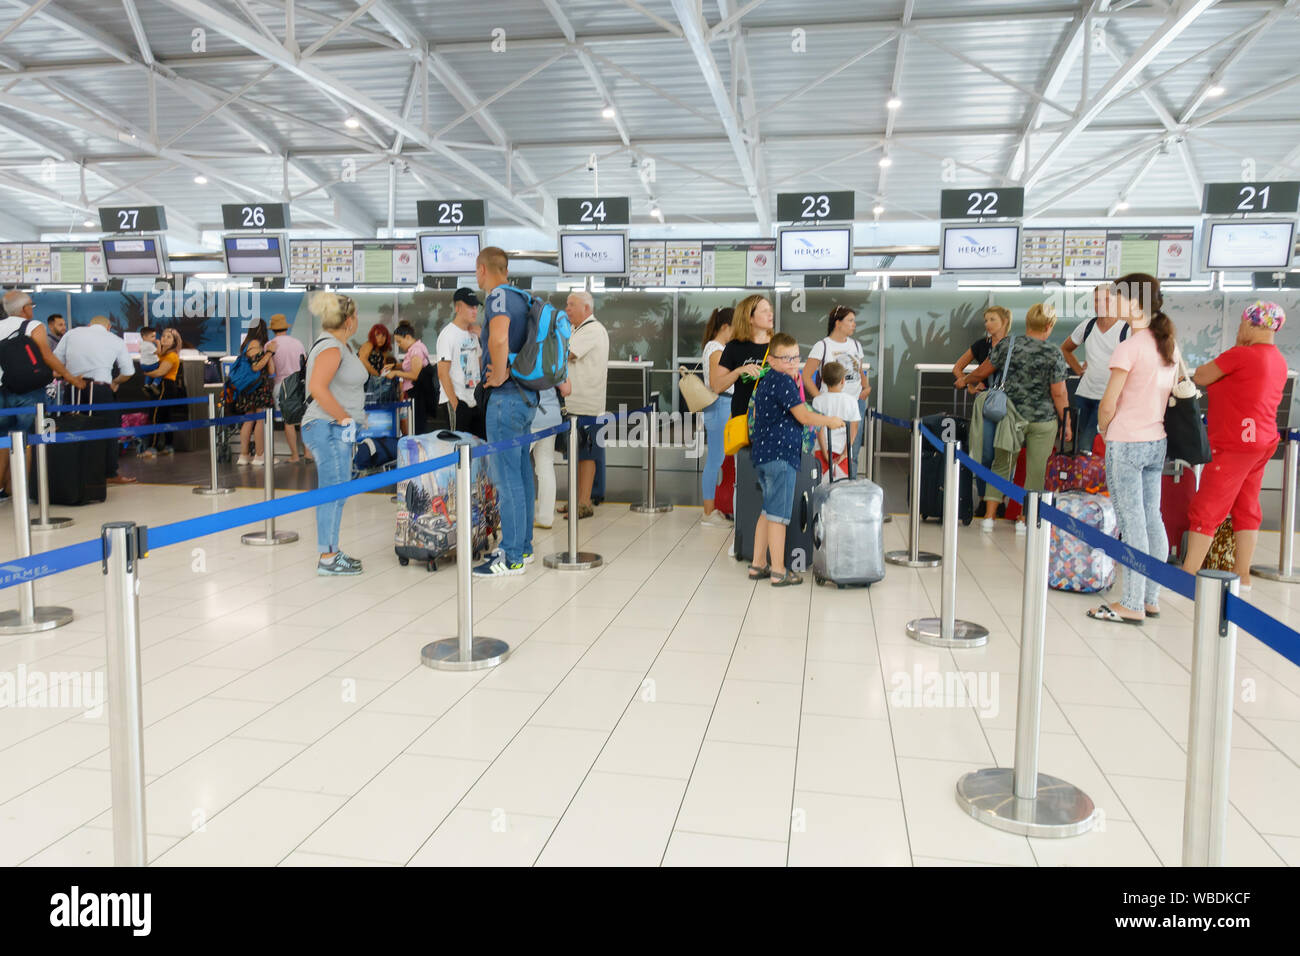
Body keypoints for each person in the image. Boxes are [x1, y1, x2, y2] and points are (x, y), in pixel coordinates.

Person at [1181, 301, 1291, 590]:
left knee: (1208, 508)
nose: (1240, 328)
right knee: (1246, 507)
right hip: (1262, 442)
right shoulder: (1279, 360)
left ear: (1252, 324)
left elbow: (1202, 375)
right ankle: (1243, 576)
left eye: (1243, 322)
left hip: (1235, 443)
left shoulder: (1242, 354)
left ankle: (1187, 575)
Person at [1087, 274, 1178, 624]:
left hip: (1126, 442)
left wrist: (1104, 430)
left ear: (1136, 303)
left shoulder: (1129, 347)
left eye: (1117, 297)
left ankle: (1131, 602)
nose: (1111, 303)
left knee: (1132, 523)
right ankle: (1150, 598)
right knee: (1152, 517)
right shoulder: (1166, 343)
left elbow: (1108, 404)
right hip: (1157, 441)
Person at [965, 303, 1072, 534]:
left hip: (1011, 415)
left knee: (1002, 463)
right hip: (1043, 420)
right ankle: (1025, 519)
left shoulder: (1008, 345)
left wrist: (965, 381)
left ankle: (989, 517)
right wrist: (1067, 422)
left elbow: (984, 371)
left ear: (1028, 322)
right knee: (1036, 469)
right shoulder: (1053, 352)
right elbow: (1059, 393)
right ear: (1049, 325)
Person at [748, 333, 844, 587]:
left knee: (768, 511)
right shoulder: (783, 382)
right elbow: (803, 416)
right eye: (785, 358)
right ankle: (779, 571)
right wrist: (829, 421)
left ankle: (758, 564)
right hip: (780, 457)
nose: (792, 363)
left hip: (764, 455)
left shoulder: (767, 380)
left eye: (795, 357)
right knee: (778, 515)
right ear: (772, 360)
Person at [474, 246, 538, 576]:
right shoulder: (522, 297)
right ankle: (523, 547)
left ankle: (510, 556)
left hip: (506, 397)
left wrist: (498, 374)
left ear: (482, 269)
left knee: (506, 477)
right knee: (522, 473)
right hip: (527, 398)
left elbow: (499, 338)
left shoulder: (497, 296)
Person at [301, 292, 367, 576]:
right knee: (333, 490)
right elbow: (318, 387)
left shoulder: (342, 346)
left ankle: (332, 551)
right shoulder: (331, 347)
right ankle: (328, 557)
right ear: (350, 320)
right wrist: (344, 418)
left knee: (337, 490)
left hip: (335, 428)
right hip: (327, 427)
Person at [0, 292, 84, 497]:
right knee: (29, 439)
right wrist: (70, 377)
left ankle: (2, 488)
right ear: (24, 309)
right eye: (31, 305)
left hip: (2, 390)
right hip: (29, 391)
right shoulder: (32, 326)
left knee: (2, 440)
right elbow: (46, 355)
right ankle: (22, 490)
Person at [54, 315, 136, 484]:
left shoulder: (72, 333)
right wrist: (115, 382)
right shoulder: (115, 339)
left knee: (72, 428)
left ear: (89, 324)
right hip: (100, 389)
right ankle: (110, 473)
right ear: (109, 327)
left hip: (73, 387)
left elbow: (55, 361)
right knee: (109, 430)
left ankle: (73, 472)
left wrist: (69, 375)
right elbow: (129, 371)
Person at [952, 306, 1011, 508]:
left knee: (1003, 453)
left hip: (1009, 403)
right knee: (984, 452)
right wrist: (968, 383)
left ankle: (1000, 500)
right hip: (985, 402)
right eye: (986, 320)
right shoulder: (981, 345)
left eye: (992, 319)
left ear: (1004, 322)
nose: (987, 324)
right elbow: (957, 367)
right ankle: (985, 499)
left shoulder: (1013, 346)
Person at [802, 304, 871, 476]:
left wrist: (865, 386)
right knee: (826, 449)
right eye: (850, 320)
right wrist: (821, 398)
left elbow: (859, 369)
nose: (854, 324)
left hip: (854, 403)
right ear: (837, 323)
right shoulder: (822, 345)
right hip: (830, 406)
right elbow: (806, 376)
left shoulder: (856, 345)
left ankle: (849, 487)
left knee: (852, 452)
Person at [558, 290, 609, 520]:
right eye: (567, 304)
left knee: (587, 455)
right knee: (576, 454)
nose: (567, 308)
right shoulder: (577, 329)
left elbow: (568, 354)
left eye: (572, 304)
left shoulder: (592, 329)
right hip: (574, 404)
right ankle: (577, 499)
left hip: (587, 405)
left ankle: (585, 502)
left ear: (586, 309)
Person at [1063, 285, 1130, 454]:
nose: (1101, 304)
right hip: (1084, 394)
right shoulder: (1088, 325)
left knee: (1087, 446)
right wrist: (1079, 370)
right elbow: (1065, 349)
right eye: (1097, 300)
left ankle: (1092, 478)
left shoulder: (1126, 329)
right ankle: (1087, 478)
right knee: (1084, 444)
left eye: (1107, 300)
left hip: (1109, 397)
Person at [700, 306, 733, 528]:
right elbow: (716, 383)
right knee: (715, 460)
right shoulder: (716, 349)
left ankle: (712, 509)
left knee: (718, 458)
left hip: (722, 404)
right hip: (719, 404)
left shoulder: (719, 348)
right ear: (725, 327)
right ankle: (708, 513)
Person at [716, 294, 773, 417]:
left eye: (770, 310)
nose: (770, 314)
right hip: (742, 419)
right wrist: (738, 371)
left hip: (772, 421)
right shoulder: (734, 347)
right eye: (764, 311)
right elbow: (717, 386)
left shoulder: (779, 345)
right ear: (750, 318)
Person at [435, 287, 481, 432]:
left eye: (475, 307)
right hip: (457, 401)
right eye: (470, 307)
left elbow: (479, 365)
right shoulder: (448, 334)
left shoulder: (473, 334)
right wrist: (455, 404)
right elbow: (442, 372)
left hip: (474, 401)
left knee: (477, 448)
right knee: (459, 449)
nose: (474, 310)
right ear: (458, 307)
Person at [266, 313, 310, 464]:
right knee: (304, 419)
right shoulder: (298, 343)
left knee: (289, 422)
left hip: (282, 385)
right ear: (285, 327)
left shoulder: (270, 345)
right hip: (299, 385)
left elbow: (271, 371)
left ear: (273, 329)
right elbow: (305, 365)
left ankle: (295, 456)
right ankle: (308, 453)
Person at [230, 321, 274, 465]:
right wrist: (269, 353)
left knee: (249, 419)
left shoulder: (246, 345)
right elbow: (256, 367)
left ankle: (244, 455)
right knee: (259, 420)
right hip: (257, 387)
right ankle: (259, 455)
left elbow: (270, 370)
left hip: (247, 387)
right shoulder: (255, 344)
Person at [811, 362, 861, 478]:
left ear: (822, 380)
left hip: (821, 451)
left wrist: (825, 453)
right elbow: (853, 430)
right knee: (841, 489)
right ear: (843, 381)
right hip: (843, 452)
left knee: (822, 487)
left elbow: (819, 430)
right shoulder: (851, 401)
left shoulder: (818, 401)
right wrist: (844, 453)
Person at [384, 322, 433, 435]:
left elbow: (414, 374)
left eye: (399, 341)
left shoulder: (416, 350)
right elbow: (408, 365)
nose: (399, 345)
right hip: (414, 394)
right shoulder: (413, 350)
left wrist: (396, 373)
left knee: (417, 428)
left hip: (418, 394)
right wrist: (395, 366)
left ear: (408, 337)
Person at [141, 327, 183, 457]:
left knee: (155, 415)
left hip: (165, 386)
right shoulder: (159, 353)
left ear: (175, 342)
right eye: (163, 335)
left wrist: (146, 372)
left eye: (169, 337)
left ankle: (152, 448)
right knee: (165, 417)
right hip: (161, 386)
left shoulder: (171, 356)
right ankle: (168, 446)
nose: (164, 338)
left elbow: (160, 372)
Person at [532, 385, 562, 529]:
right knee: (545, 465)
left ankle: (513, 517)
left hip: (530, 415)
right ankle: (545, 518)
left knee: (514, 467)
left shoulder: (525, 360)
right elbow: (566, 388)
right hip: (551, 414)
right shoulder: (555, 360)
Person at [359, 322, 396, 406]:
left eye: (383, 336)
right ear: (372, 336)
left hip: (375, 385)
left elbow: (387, 367)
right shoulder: (369, 344)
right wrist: (376, 374)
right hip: (363, 382)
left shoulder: (384, 351)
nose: (380, 338)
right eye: (377, 335)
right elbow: (362, 359)